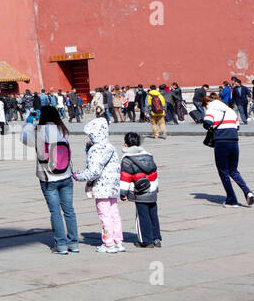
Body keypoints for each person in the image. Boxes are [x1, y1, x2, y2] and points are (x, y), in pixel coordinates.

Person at [22, 105, 79, 255]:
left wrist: (29, 123)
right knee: (69, 211)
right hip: (66, 175)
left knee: (55, 212)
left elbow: (25, 139)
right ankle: (74, 243)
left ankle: (61, 244)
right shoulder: (62, 129)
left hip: (48, 177)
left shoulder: (38, 131)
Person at [72, 117, 124, 253]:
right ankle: (118, 241)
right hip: (113, 186)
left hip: (101, 187)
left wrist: (78, 175)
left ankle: (108, 243)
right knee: (114, 214)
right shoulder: (110, 146)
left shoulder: (96, 149)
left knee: (104, 215)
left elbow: (93, 172)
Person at [200, 89, 254, 208]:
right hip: (234, 142)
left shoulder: (211, 109)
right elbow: (237, 126)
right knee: (234, 171)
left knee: (223, 172)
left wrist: (206, 122)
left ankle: (232, 200)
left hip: (221, 142)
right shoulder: (230, 110)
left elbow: (207, 123)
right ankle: (247, 191)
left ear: (207, 103)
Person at [119, 131, 161, 248]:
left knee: (142, 216)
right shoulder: (149, 156)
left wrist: (123, 193)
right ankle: (156, 238)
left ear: (126, 144)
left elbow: (125, 178)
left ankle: (146, 240)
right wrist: (155, 187)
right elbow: (154, 172)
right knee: (153, 214)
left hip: (139, 192)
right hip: (152, 189)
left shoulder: (127, 159)